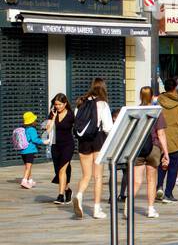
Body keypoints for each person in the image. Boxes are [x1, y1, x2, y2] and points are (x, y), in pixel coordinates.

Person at [71, 78, 114, 219]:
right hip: (98, 139)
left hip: (83, 141)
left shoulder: (81, 102)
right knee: (98, 177)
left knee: (86, 175)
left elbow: (77, 122)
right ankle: (96, 209)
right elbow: (108, 127)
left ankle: (79, 194)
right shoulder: (102, 103)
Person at [124, 86, 168, 219]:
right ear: (153, 96)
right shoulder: (157, 112)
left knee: (136, 181)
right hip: (153, 147)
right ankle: (150, 208)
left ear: (140, 96)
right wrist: (165, 152)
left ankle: (128, 203)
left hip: (138, 148)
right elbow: (161, 134)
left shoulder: (135, 111)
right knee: (151, 179)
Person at [47, 94, 75, 203]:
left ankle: (60, 195)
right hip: (55, 145)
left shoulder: (71, 115)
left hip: (68, 145)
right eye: (55, 104)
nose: (57, 106)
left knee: (62, 170)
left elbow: (78, 127)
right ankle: (67, 190)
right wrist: (53, 117)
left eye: (59, 104)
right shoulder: (52, 114)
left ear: (65, 104)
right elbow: (48, 130)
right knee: (58, 171)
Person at [12, 111, 40, 189]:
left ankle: (30, 180)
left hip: (23, 151)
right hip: (30, 150)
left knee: (28, 166)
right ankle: (24, 181)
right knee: (28, 166)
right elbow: (34, 140)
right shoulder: (32, 129)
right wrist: (44, 141)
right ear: (32, 121)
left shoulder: (24, 129)